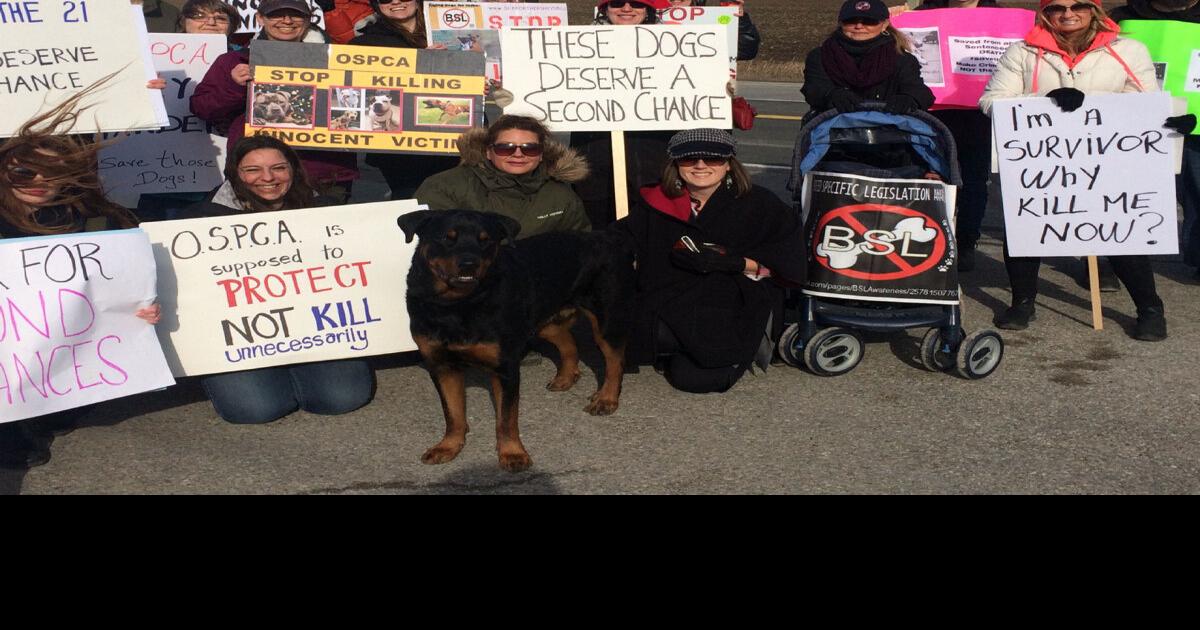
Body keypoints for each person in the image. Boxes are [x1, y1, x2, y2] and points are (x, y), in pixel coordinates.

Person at [979, 0, 1195, 340]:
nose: (1068, 14)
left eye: (1078, 5)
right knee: (1027, 228)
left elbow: (1143, 98)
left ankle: (1150, 308)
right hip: (1041, 160)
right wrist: (1048, 99)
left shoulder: (1127, 49)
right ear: (1045, 13)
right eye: (1057, 8)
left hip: (1107, 160)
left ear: (1093, 10)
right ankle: (1023, 302)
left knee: (1123, 232)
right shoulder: (1022, 51)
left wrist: (1166, 119)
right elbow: (991, 101)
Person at [0, 95, 160, 470]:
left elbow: (125, 285)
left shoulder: (95, 220)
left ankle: (44, 405)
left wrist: (143, 309)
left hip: (67, 347)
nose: (40, 182)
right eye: (25, 173)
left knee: (63, 413)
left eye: (53, 173)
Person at [174, 136, 376, 424]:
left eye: (279, 168)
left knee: (341, 398)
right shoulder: (198, 221)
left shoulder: (327, 212)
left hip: (317, 326)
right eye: (252, 170)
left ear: (293, 170)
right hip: (239, 335)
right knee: (256, 409)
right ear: (234, 173)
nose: (267, 178)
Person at [615, 129, 805, 393]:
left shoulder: (760, 205)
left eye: (713, 158)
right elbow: (620, 242)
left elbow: (787, 261)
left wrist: (737, 263)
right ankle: (671, 346)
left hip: (728, 303)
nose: (700, 165)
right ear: (675, 164)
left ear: (728, 164)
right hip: (667, 298)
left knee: (697, 380)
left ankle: (720, 351)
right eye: (689, 158)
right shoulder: (656, 202)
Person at [191, 0, 359, 201]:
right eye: (276, 14)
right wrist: (235, 86)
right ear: (260, 18)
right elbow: (202, 109)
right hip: (257, 176)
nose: (286, 21)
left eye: (295, 15)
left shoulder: (338, 61)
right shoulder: (235, 61)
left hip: (323, 173)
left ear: (308, 20)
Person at [905, 0, 1005, 271]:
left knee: (973, 181)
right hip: (934, 110)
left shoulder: (999, 16)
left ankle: (966, 241)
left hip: (979, 113)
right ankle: (929, 238)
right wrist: (896, 18)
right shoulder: (922, 14)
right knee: (931, 176)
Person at [1109, 0, 1200, 276]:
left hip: (1195, 125)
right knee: (1117, 193)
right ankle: (1110, 260)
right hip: (1131, 123)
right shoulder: (1122, 18)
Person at [572, 0, 673, 229]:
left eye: (636, 3)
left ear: (647, 9)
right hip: (595, 163)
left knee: (650, 237)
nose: (626, 9)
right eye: (617, 3)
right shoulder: (577, 45)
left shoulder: (672, 46)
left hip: (651, 164)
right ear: (605, 8)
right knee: (599, 239)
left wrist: (720, 88)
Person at [349, 0, 460, 201]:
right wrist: (418, 68)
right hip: (400, 151)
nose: (395, 1)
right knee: (412, 204)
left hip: (453, 144)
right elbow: (361, 95)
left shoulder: (448, 34)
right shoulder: (363, 45)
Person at [415, 116, 591, 238]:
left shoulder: (561, 196)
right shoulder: (444, 186)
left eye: (529, 148)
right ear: (489, 152)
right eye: (505, 148)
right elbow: (431, 244)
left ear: (541, 154)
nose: (518, 154)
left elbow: (580, 246)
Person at [802, 0, 936, 126]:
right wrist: (831, 95)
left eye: (869, 21)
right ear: (840, 23)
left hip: (889, 133)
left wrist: (909, 98)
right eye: (850, 21)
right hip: (834, 131)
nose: (859, 26)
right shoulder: (820, 56)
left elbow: (919, 90)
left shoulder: (902, 59)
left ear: (884, 24)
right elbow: (814, 88)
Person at [664, 0, 761, 60]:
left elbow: (746, 51)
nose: (676, 3)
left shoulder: (711, 24)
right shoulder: (651, 20)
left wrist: (739, 20)